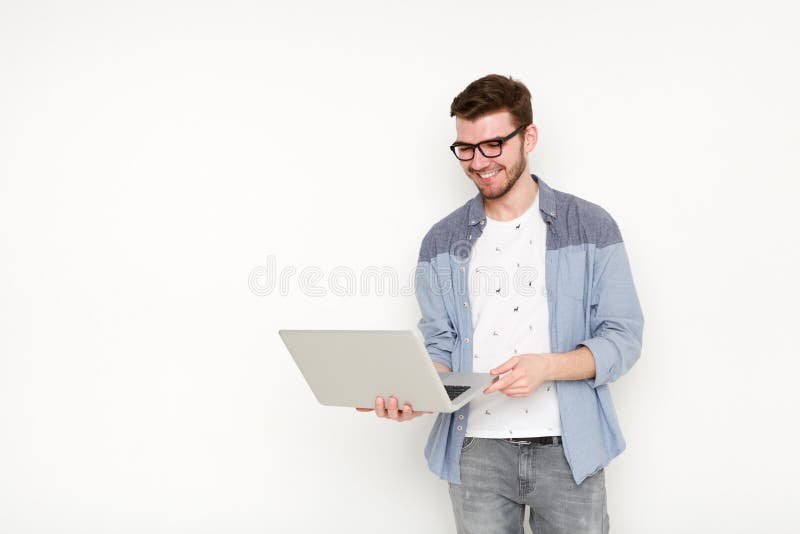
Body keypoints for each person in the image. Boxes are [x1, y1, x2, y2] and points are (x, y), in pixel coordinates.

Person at [358, 74, 644, 534]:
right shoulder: (441, 241)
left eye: (493, 145)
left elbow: (623, 338)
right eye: (465, 148)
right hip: (476, 453)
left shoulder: (590, 226)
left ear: (528, 137)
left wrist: (546, 367)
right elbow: (441, 343)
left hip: (570, 449)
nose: (478, 162)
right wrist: (418, 392)